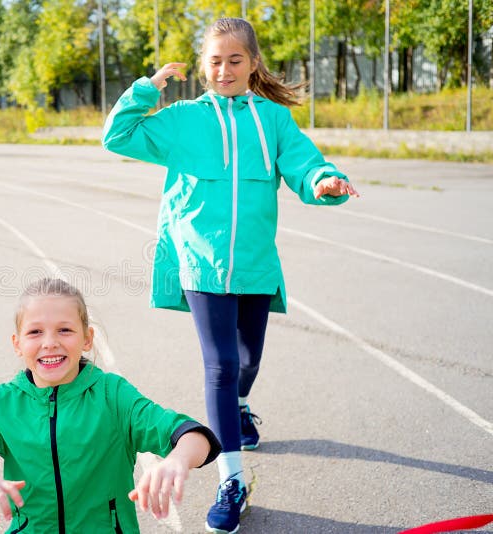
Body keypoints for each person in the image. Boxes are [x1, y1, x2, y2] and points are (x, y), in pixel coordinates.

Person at [102, 17, 359, 534]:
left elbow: (305, 166)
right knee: (219, 365)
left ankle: (240, 407)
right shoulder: (184, 120)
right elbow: (117, 135)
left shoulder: (274, 121)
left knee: (246, 362)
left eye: (235, 60)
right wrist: (145, 89)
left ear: (253, 63)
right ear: (203, 66)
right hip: (201, 263)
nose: (224, 70)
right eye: (215, 61)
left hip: (256, 264)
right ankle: (232, 481)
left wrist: (326, 181)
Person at [0, 278, 221, 533]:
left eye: (65, 330)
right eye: (35, 332)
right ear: (17, 343)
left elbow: (193, 436)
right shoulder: (1, 405)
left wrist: (177, 460)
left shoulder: (112, 395)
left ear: (87, 339)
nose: (49, 342)